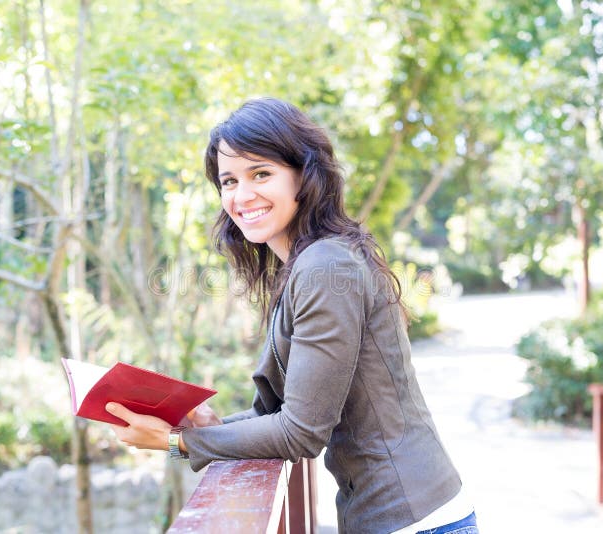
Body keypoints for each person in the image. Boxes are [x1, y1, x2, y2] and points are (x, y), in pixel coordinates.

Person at [104, 97, 479, 534]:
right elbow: (283, 411)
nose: (242, 196)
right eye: (228, 181)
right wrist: (212, 425)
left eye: (261, 174)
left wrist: (178, 443)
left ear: (304, 176)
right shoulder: (306, 264)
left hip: (414, 520)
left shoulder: (325, 266)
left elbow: (300, 431)